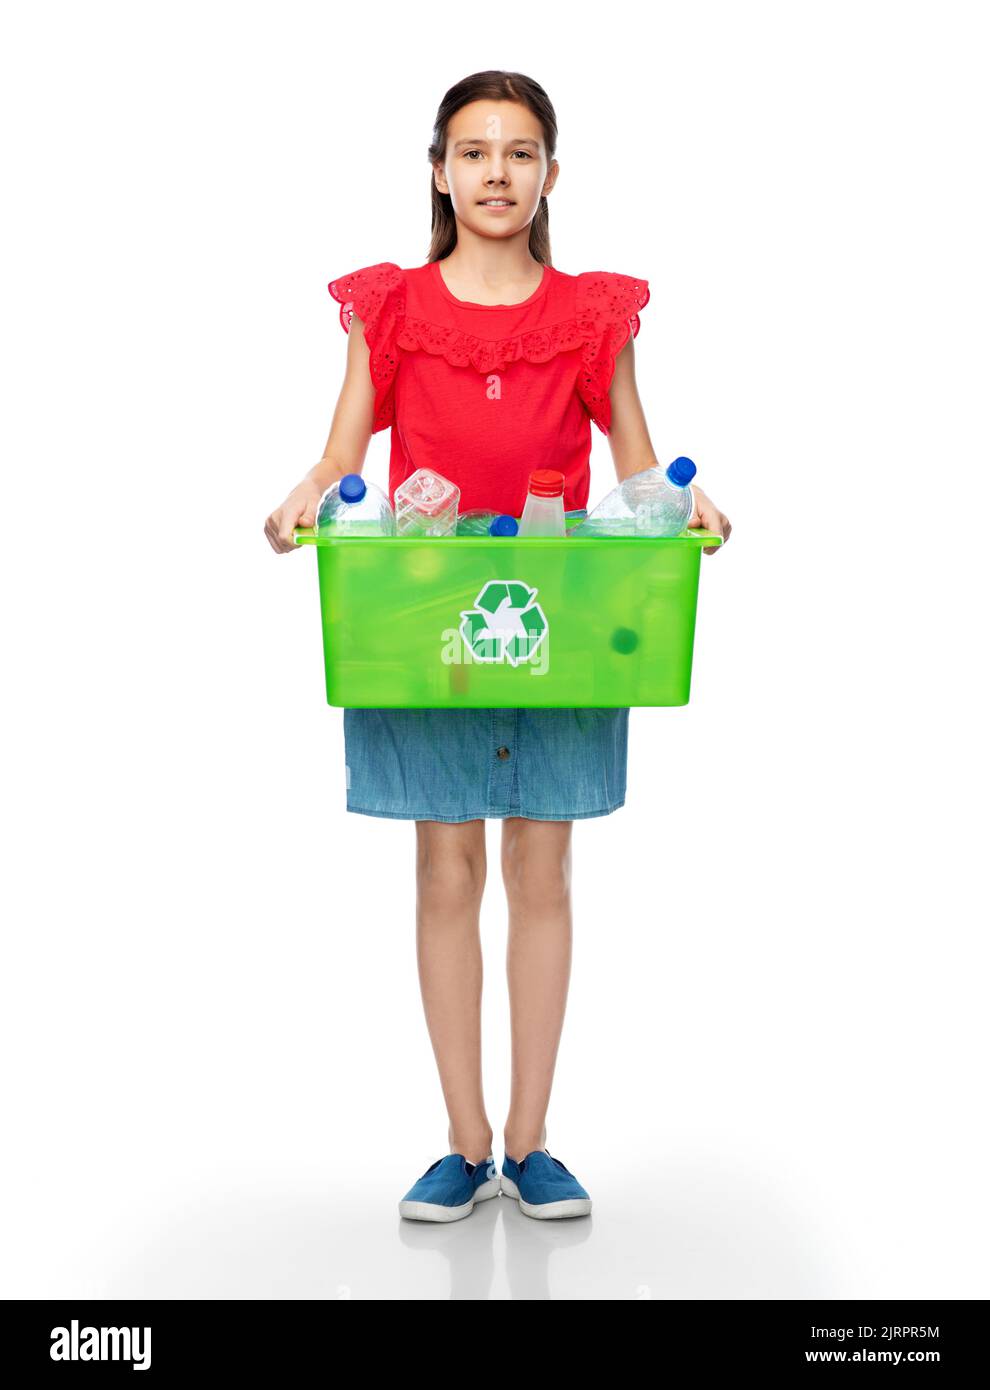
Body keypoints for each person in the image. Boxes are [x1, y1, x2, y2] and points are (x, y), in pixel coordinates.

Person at [264, 70, 732, 1223]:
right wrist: (301, 500)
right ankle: (463, 1143)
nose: (496, 174)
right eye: (473, 153)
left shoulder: (589, 318)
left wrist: (692, 502)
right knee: (444, 869)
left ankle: (532, 1143)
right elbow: (337, 458)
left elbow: (636, 467)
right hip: (423, 617)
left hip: (561, 610)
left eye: (520, 154)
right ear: (438, 170)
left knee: (541, 869)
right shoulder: (394, 310)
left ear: (551, 176)